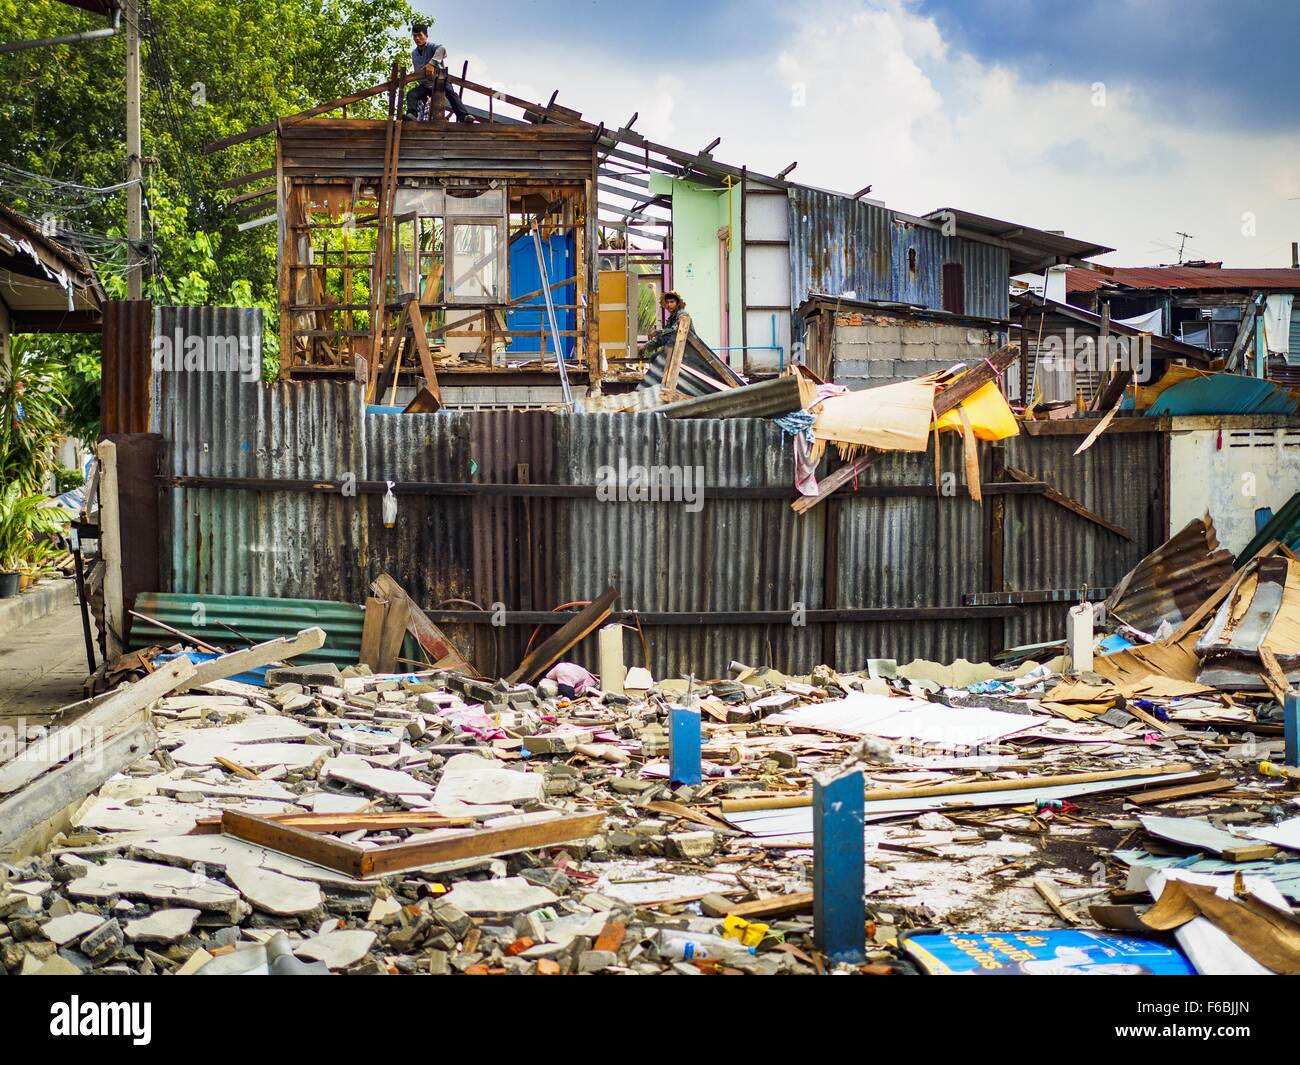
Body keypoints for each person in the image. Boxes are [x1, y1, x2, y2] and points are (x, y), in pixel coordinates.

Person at [405, 22, 473, 123]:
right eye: (415, 36)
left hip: (439, 82)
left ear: (426, 36)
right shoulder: (414, 53)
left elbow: (442, 49)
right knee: (411, 94)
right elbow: (418, 71)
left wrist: (432, 63)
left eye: (420, 35)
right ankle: (412, 115)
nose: (417, 38)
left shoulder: (432, 46)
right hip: (425, 85)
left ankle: (464, 116)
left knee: (451, 94)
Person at [641, 290, 691, 359]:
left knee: (656, 357)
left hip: (687, 349)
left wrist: (657, 332)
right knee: (654, 357)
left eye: (672, 302)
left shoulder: (682, 314)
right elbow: (662, 336)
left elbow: (674, 331)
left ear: (677, 303)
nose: (669, 304)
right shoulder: (671, 318)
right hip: (675, 348)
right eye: (667, 302)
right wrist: (646, 346)